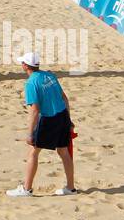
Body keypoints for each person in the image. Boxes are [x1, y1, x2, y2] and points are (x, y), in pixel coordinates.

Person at [6, 53, 77, 197]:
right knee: (63, 152)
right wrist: (68, 120)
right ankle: (70, 188)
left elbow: (35, 109)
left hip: (48, 120)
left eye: (23, 63)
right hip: (62, 115)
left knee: (33, 152)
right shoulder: (49, 75)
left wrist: (29, 133)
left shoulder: (31, 83)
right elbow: (64, 98)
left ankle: (27, 189)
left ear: (26, 66)